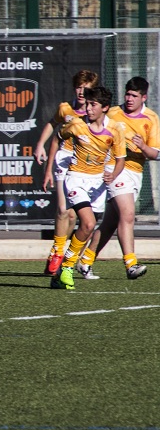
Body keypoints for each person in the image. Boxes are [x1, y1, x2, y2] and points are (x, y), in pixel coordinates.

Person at [77, 77, 157, 280]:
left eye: (134, 95)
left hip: (136, 172)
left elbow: (155, 153)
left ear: (144, 97)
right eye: (127, 94)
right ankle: (131, 264)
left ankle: (85, 261)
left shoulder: (151, 118)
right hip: (114, 169)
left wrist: (143, 147)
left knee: (111, 223)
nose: (129, 99)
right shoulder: (112, 112)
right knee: (128, 215)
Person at [50, 86, 125, 290]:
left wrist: (114, 174)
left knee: (86, 228)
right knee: (89, 223)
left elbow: (120, 160)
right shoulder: (76, 125)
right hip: (76, 178)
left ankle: (62, 270)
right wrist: (52, 166)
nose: (89, 109)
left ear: (105, 108)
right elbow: (58, 137)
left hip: (98, 183)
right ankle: (66, 268)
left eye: (93, 105)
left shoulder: (115, 130)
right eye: (88, 104)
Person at [35, 70, 97, 275]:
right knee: (64, 210)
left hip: (87, 167)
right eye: (78, 87)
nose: (81, 92)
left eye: (85, 88)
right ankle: (57, 253)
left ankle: (68, 256)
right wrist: (40, 146)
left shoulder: (97, 112)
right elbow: (52, 126)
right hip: (65, 160)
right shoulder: (66, 108)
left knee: (76, 217)